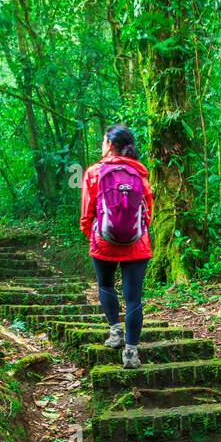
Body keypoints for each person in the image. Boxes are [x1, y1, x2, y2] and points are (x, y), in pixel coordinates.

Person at [79, 125, 153, 368]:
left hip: (104, 241)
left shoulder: (94, 172)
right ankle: (131, 353)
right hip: (137, 242)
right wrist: (136, 232)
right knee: (134, 298)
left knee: (106, 285)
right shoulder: (140, 173)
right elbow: (147, 212)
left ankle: (115, 332)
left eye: (103, 141)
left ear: (110, 144)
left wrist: (94, 233)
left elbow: (86, 213)